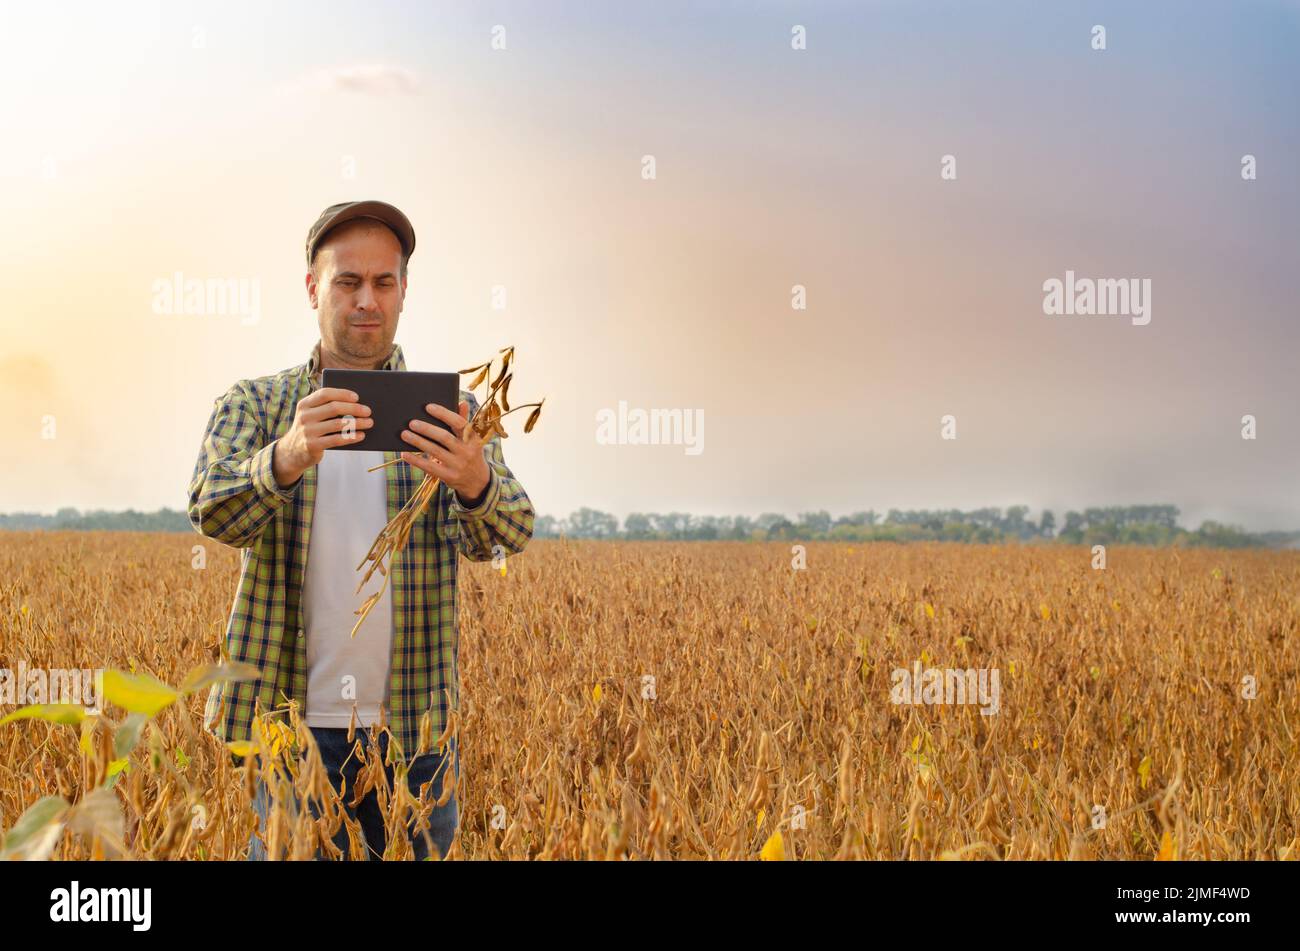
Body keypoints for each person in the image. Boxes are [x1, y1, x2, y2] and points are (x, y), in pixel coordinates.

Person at [187, 200, 535, 860]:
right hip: (287, 727)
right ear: (314, 288)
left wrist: (473, 480)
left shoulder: (452, 413)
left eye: (383, 282)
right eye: (347, 281)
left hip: (414, 737)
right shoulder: (256, 405)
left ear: (404, 290)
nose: (366, 300)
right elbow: (211, 508)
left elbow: (506, 534)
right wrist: (287, 454)